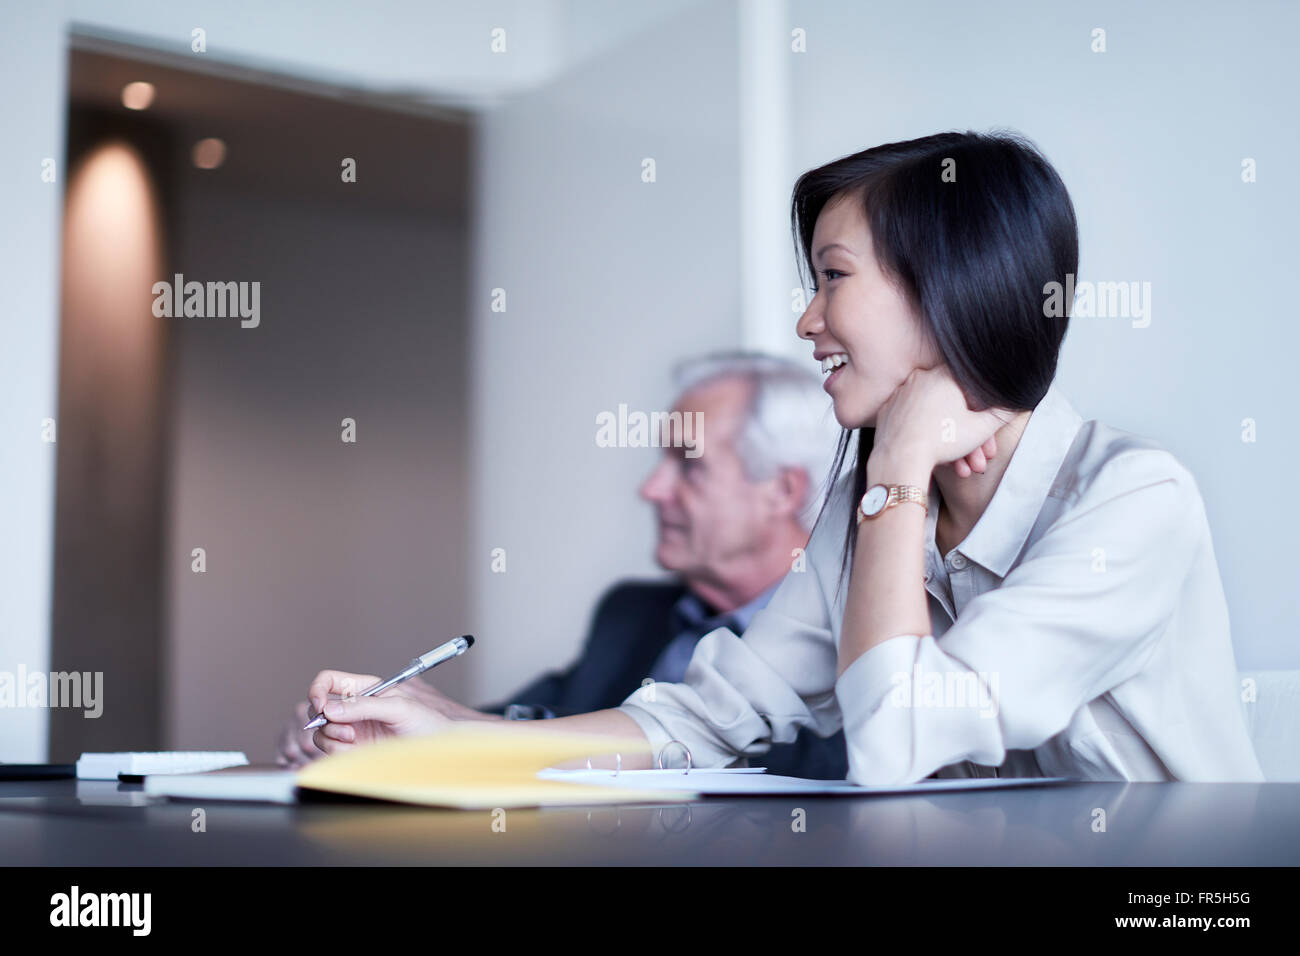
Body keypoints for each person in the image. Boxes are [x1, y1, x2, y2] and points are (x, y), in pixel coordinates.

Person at [298, 130, 1264, 784]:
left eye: (833, 280)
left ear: (948, 293)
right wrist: (458, 737)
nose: (807, 321)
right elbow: (711, 718)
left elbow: (896, 740)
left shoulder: (1133, 498)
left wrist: (896, 477)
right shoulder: (870, 499)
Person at [279, 353, 852, 778]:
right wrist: (393, 724)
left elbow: (814, 770)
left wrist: (458, 729)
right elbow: (532, 717)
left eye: (689, 465)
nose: (652, 489)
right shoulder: (631, 613)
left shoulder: (858, 625)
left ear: (780, 490)